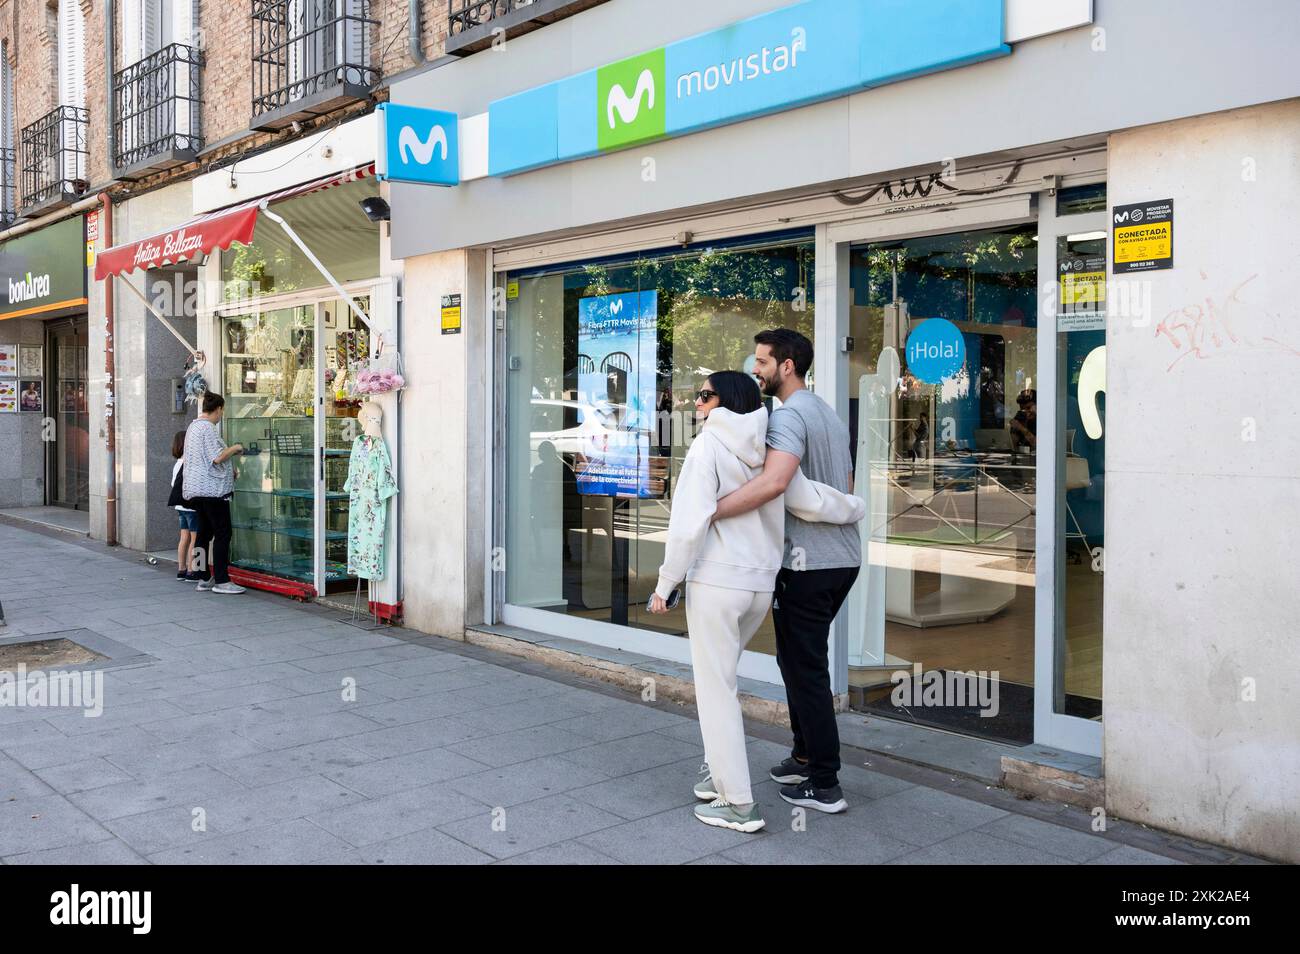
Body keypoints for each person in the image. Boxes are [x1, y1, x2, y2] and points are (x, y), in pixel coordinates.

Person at [649, 371, 863, 833]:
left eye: (703, 396)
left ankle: (737, 803)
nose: (695, 404)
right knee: (723, 682)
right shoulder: (768, 447)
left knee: (717, 690)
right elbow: (808, 500)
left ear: (724, 402)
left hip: (717, 585)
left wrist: (666, 584)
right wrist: (855, 508)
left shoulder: (707, 446)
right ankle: (716, 777)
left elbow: (687, 526)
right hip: (759, 590)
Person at [712, 329, 862, 814]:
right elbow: (847, 481)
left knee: (806, 670)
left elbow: (775, 483)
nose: (755, 369)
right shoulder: (826, 413)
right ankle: (803, 754)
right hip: (842, 559)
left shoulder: (787, 418)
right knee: (796, 663)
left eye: (762, 361)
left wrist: (711, 510)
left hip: (808, 564)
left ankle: (825, 782)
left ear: (788, 365)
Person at [183, 392, 246, 594]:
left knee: (203, 534)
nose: (221, 415)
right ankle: (221, 580)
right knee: (222, 533)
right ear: (218, 409)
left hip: (196, 490)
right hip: (213, 492)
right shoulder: (207, 428)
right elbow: (217, 458)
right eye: (222, 411)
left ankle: (201, 576)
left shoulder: (193, 427)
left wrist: (229, 471)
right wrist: (236, 448)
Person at [167, 430, 202, 582]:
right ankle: (193, 570)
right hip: (192, 507)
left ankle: (181, 569)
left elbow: (174, 484)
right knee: (196, 539)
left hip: (181, 507)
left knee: (184, 538)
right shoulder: (190, 463)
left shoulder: (177, 464)